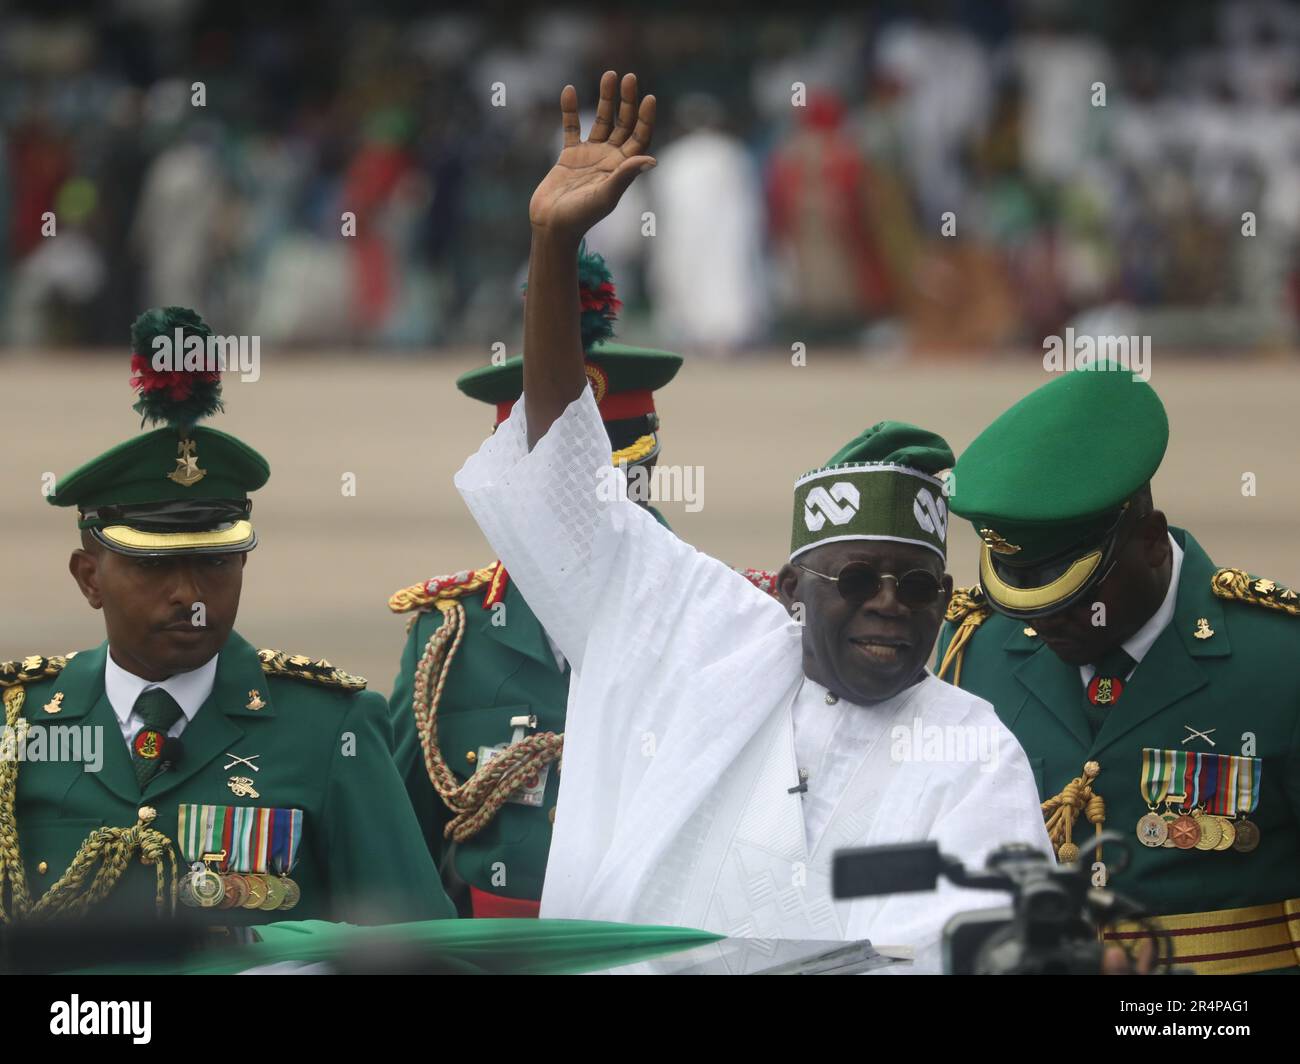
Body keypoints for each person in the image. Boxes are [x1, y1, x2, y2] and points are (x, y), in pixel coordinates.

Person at [450, 70, 1050, 973]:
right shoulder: (696, 633)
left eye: (919, 585)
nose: (891, 603)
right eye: (856, 579)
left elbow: (994, 947)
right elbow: (562, 481)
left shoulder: (972, 746)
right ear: (787, 587)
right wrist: (552, 247)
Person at [0, 306, 454, 931]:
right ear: (89, 578)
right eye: (155, 567)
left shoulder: (330, 729)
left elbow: (420, 949)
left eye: (216, 563)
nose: (189, 594)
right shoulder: (17, 728)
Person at [386, 245, 722, 917]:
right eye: (559, 488)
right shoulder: (448, 641)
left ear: (649, 463)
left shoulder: (720, 622)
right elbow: (401, 854)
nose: (591, 509)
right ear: (514, 483)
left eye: (613, 481)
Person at [937, 366, 1300, 975]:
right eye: (1025, 597)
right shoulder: (976, 649)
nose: (1046, 622)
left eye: (1073, 597)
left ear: (1153, 542)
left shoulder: (1279, 660)